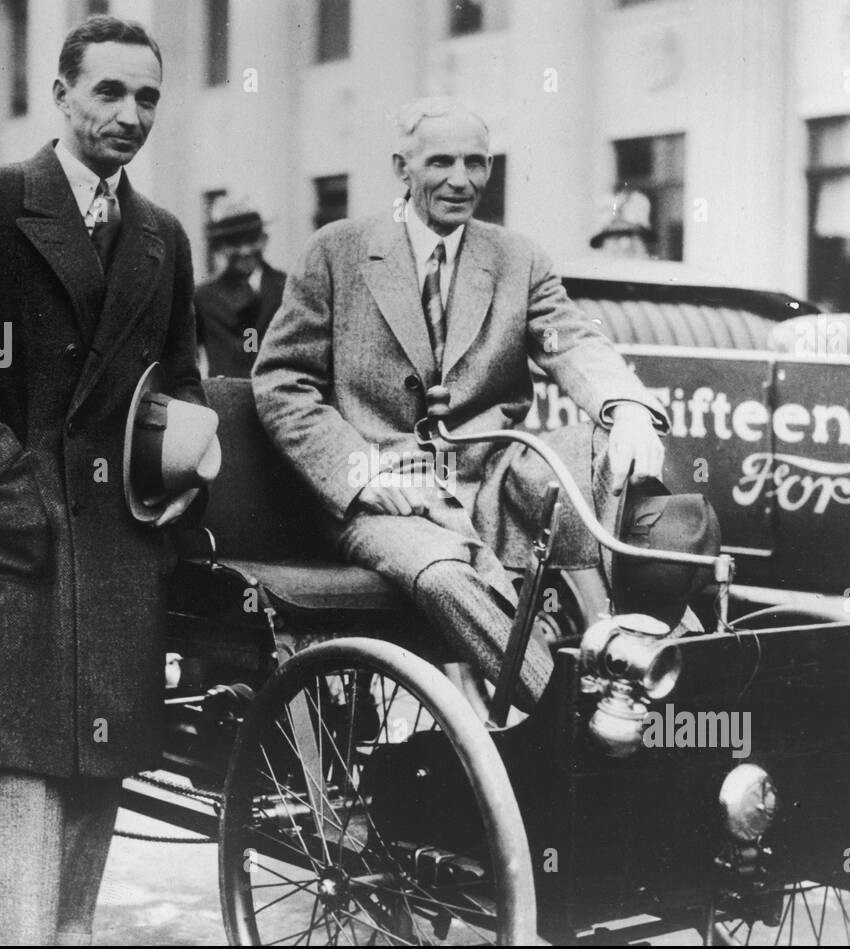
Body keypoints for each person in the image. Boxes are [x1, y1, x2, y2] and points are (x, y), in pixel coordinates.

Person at [0, 15, 203, 945]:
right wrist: (9, 482)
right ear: (61, 94)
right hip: (19, 534)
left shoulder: (160, 236)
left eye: (147, 96)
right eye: (108, 91)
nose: (130, 113)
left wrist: (174, 491)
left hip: (118, 545)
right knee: (23, 760)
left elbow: (177, 384)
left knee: (97, 764)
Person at [252, 97, 668, 711]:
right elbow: (284, 383)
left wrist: (626, 406)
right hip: (384, 495)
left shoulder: (516, 259)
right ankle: (563, 711)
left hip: (495, 484)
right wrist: (361, 472)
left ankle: (647, 655)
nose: (461, 179)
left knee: (619, 454)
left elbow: (573, 341)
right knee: (445, 574)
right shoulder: (335, 252)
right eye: (441, 162)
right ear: (402, 167)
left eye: (477, 163)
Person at [194, 202, 286, 377]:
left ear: (264, 239)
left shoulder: (288, 288)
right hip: (224, 400)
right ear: (219, 247)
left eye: (251, 240)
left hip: (278, 397)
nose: (244, 251)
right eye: (234, 243)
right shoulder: (202, 297)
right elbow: (188, 357)